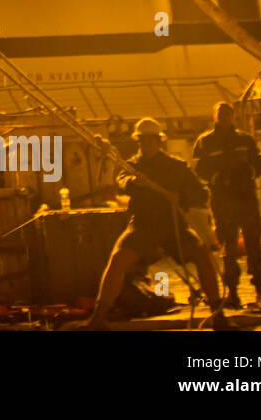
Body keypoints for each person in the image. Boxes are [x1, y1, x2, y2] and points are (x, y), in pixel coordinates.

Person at [85, 117, 231, 330]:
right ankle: (99, 318)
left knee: (204, 257)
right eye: (142, 140)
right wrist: (134, 181)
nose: (145, 144)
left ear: (159, 141)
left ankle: (218, 314)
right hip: (142, 226)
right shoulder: (132, 167)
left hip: (174, 227)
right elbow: (122, 180)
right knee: (117, 261)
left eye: (149, 140)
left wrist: (181, 198)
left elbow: (200, 193)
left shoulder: (177, 167)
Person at [193, 101, 261, 310]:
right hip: (223, 200)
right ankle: (232, 292)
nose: (225, 117)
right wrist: (217, 178)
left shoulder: (244, 139)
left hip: (246, 198)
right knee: (228, 247)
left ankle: (260, 290)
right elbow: (198, 168)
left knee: (254, 245)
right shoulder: (206, 142)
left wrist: (252, 173)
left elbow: (260, 160)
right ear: (215, 117)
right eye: (221, 114)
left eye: (228, 114)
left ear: (232, 116)